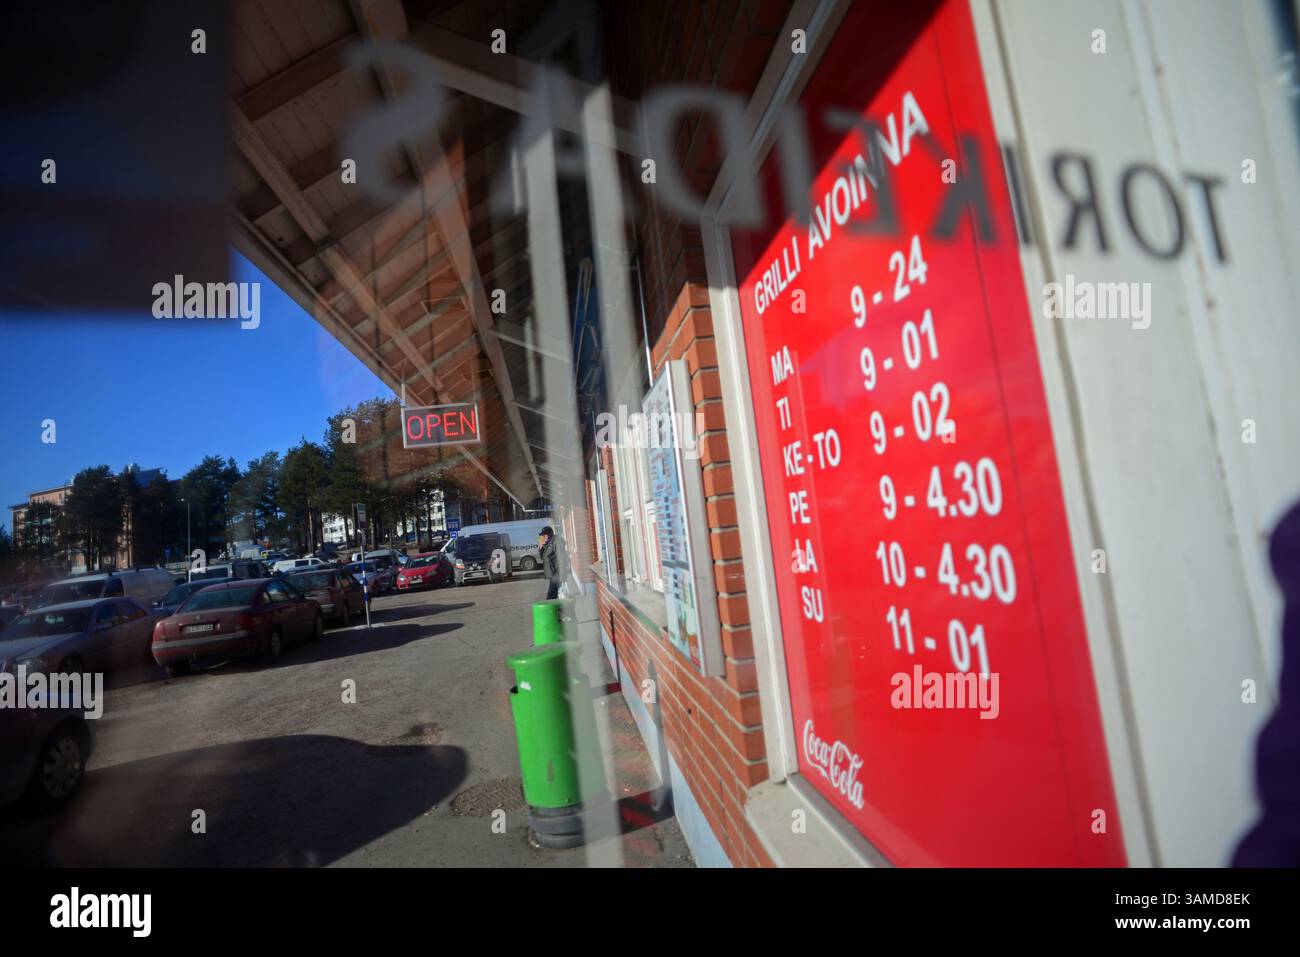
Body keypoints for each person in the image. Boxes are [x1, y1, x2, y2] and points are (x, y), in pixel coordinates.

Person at [539, 525, 567, 601]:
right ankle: (558, 611)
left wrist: (562, 575)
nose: (543, 537)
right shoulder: (548, 544)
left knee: (550, 597)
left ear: (549, 534)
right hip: (553, 574)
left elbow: (562, 559)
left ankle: (555, 611)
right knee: (554, 596)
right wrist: (541, 548)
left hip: (557, 574)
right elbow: (543, 558)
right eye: (542, 535)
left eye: (544, 535)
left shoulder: (557, 542)